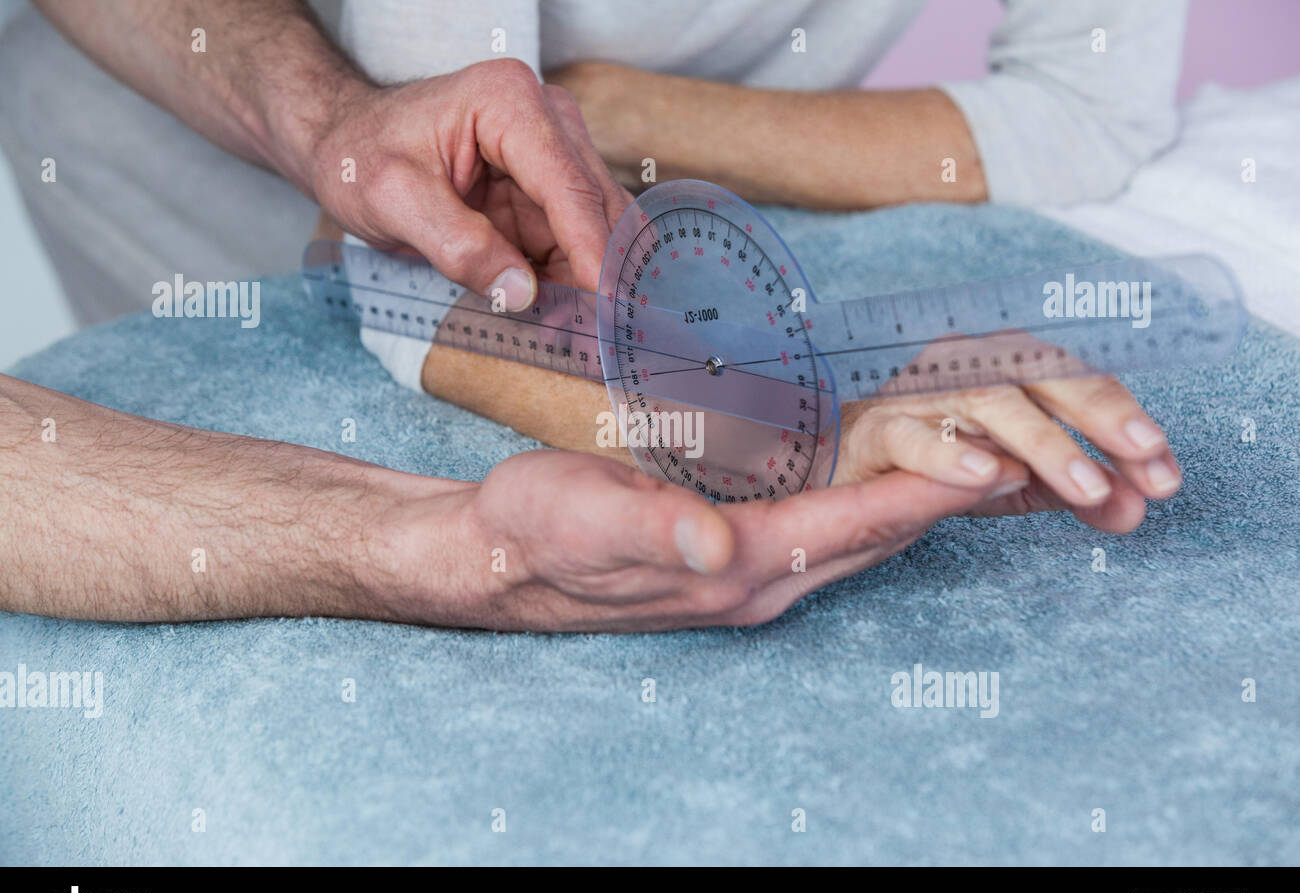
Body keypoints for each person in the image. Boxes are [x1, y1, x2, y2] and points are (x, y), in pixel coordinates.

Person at [0, 0, 1184, 630]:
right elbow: (422, 254)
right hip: (167, 149)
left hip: (587, 154)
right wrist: (775, 420)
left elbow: (1086, 107)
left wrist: (610, 113)